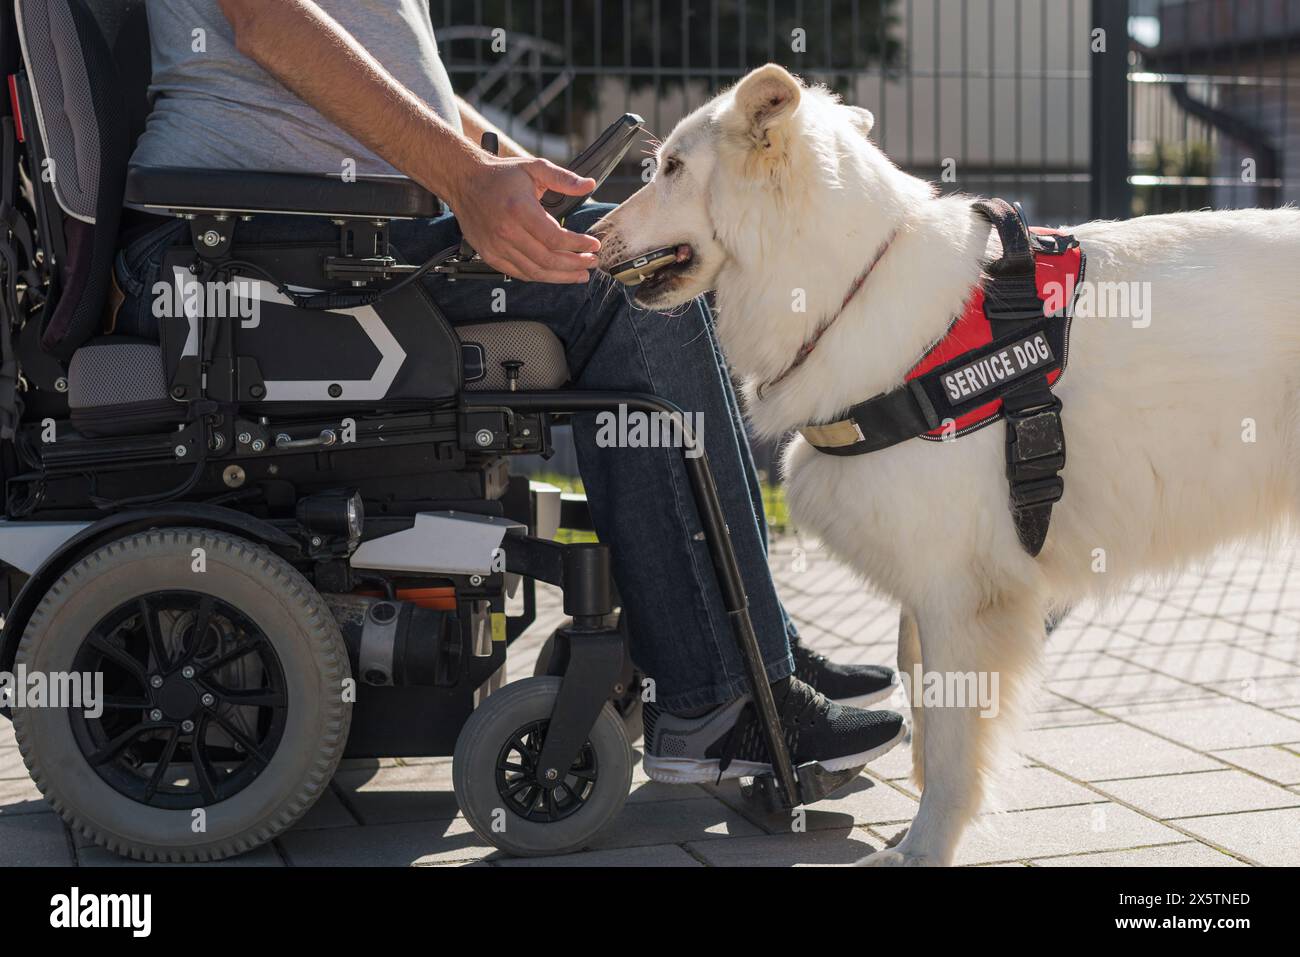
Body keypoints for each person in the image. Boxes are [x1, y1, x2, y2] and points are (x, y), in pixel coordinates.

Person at [117, 0, 906, 783]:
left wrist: (501, 166)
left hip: (341, 229)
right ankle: (722, 699)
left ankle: (755, 646)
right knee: (626, 289)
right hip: (248, 246)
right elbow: (268, 22)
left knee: (629, 264)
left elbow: (391, 70)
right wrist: (465, 180)